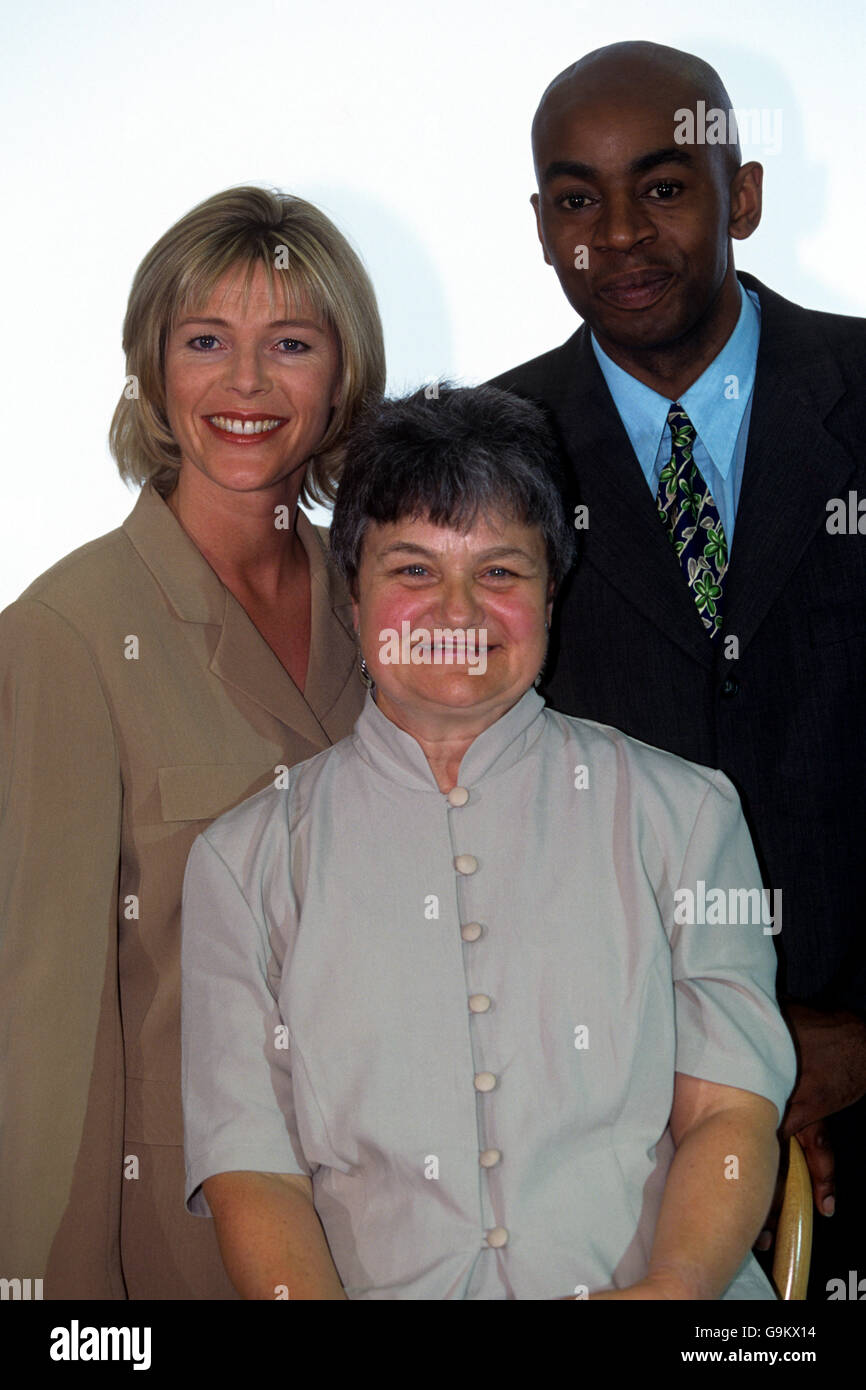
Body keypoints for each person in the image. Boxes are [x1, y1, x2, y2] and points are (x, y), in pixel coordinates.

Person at [180, 385, 795, 1300]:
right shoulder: (246, 860)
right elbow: (252, 1169)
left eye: (501, 572)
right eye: (414, 571)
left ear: (555, 590)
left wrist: (671, 1293)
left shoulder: (686, 816)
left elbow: (727, 1112)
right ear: (353, 593)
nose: (458, 613)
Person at [489, 40, 866, 1298]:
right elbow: (467, 794)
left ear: (740, 195)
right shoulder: (481, 463)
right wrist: (688, 1061)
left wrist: (856, 1041)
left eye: (661, 187)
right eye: (575, 199)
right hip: (605, 1136)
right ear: (539, 227)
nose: (615, 234)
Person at [0, 185, 385, 1298]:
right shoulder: (63, 638)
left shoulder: (390, 605)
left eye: (292, 343)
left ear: (342, 372)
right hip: (186, 1251)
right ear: (152, 368)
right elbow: (46, 1035)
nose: (247, 384)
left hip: (407, 1230)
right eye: (205, 340)